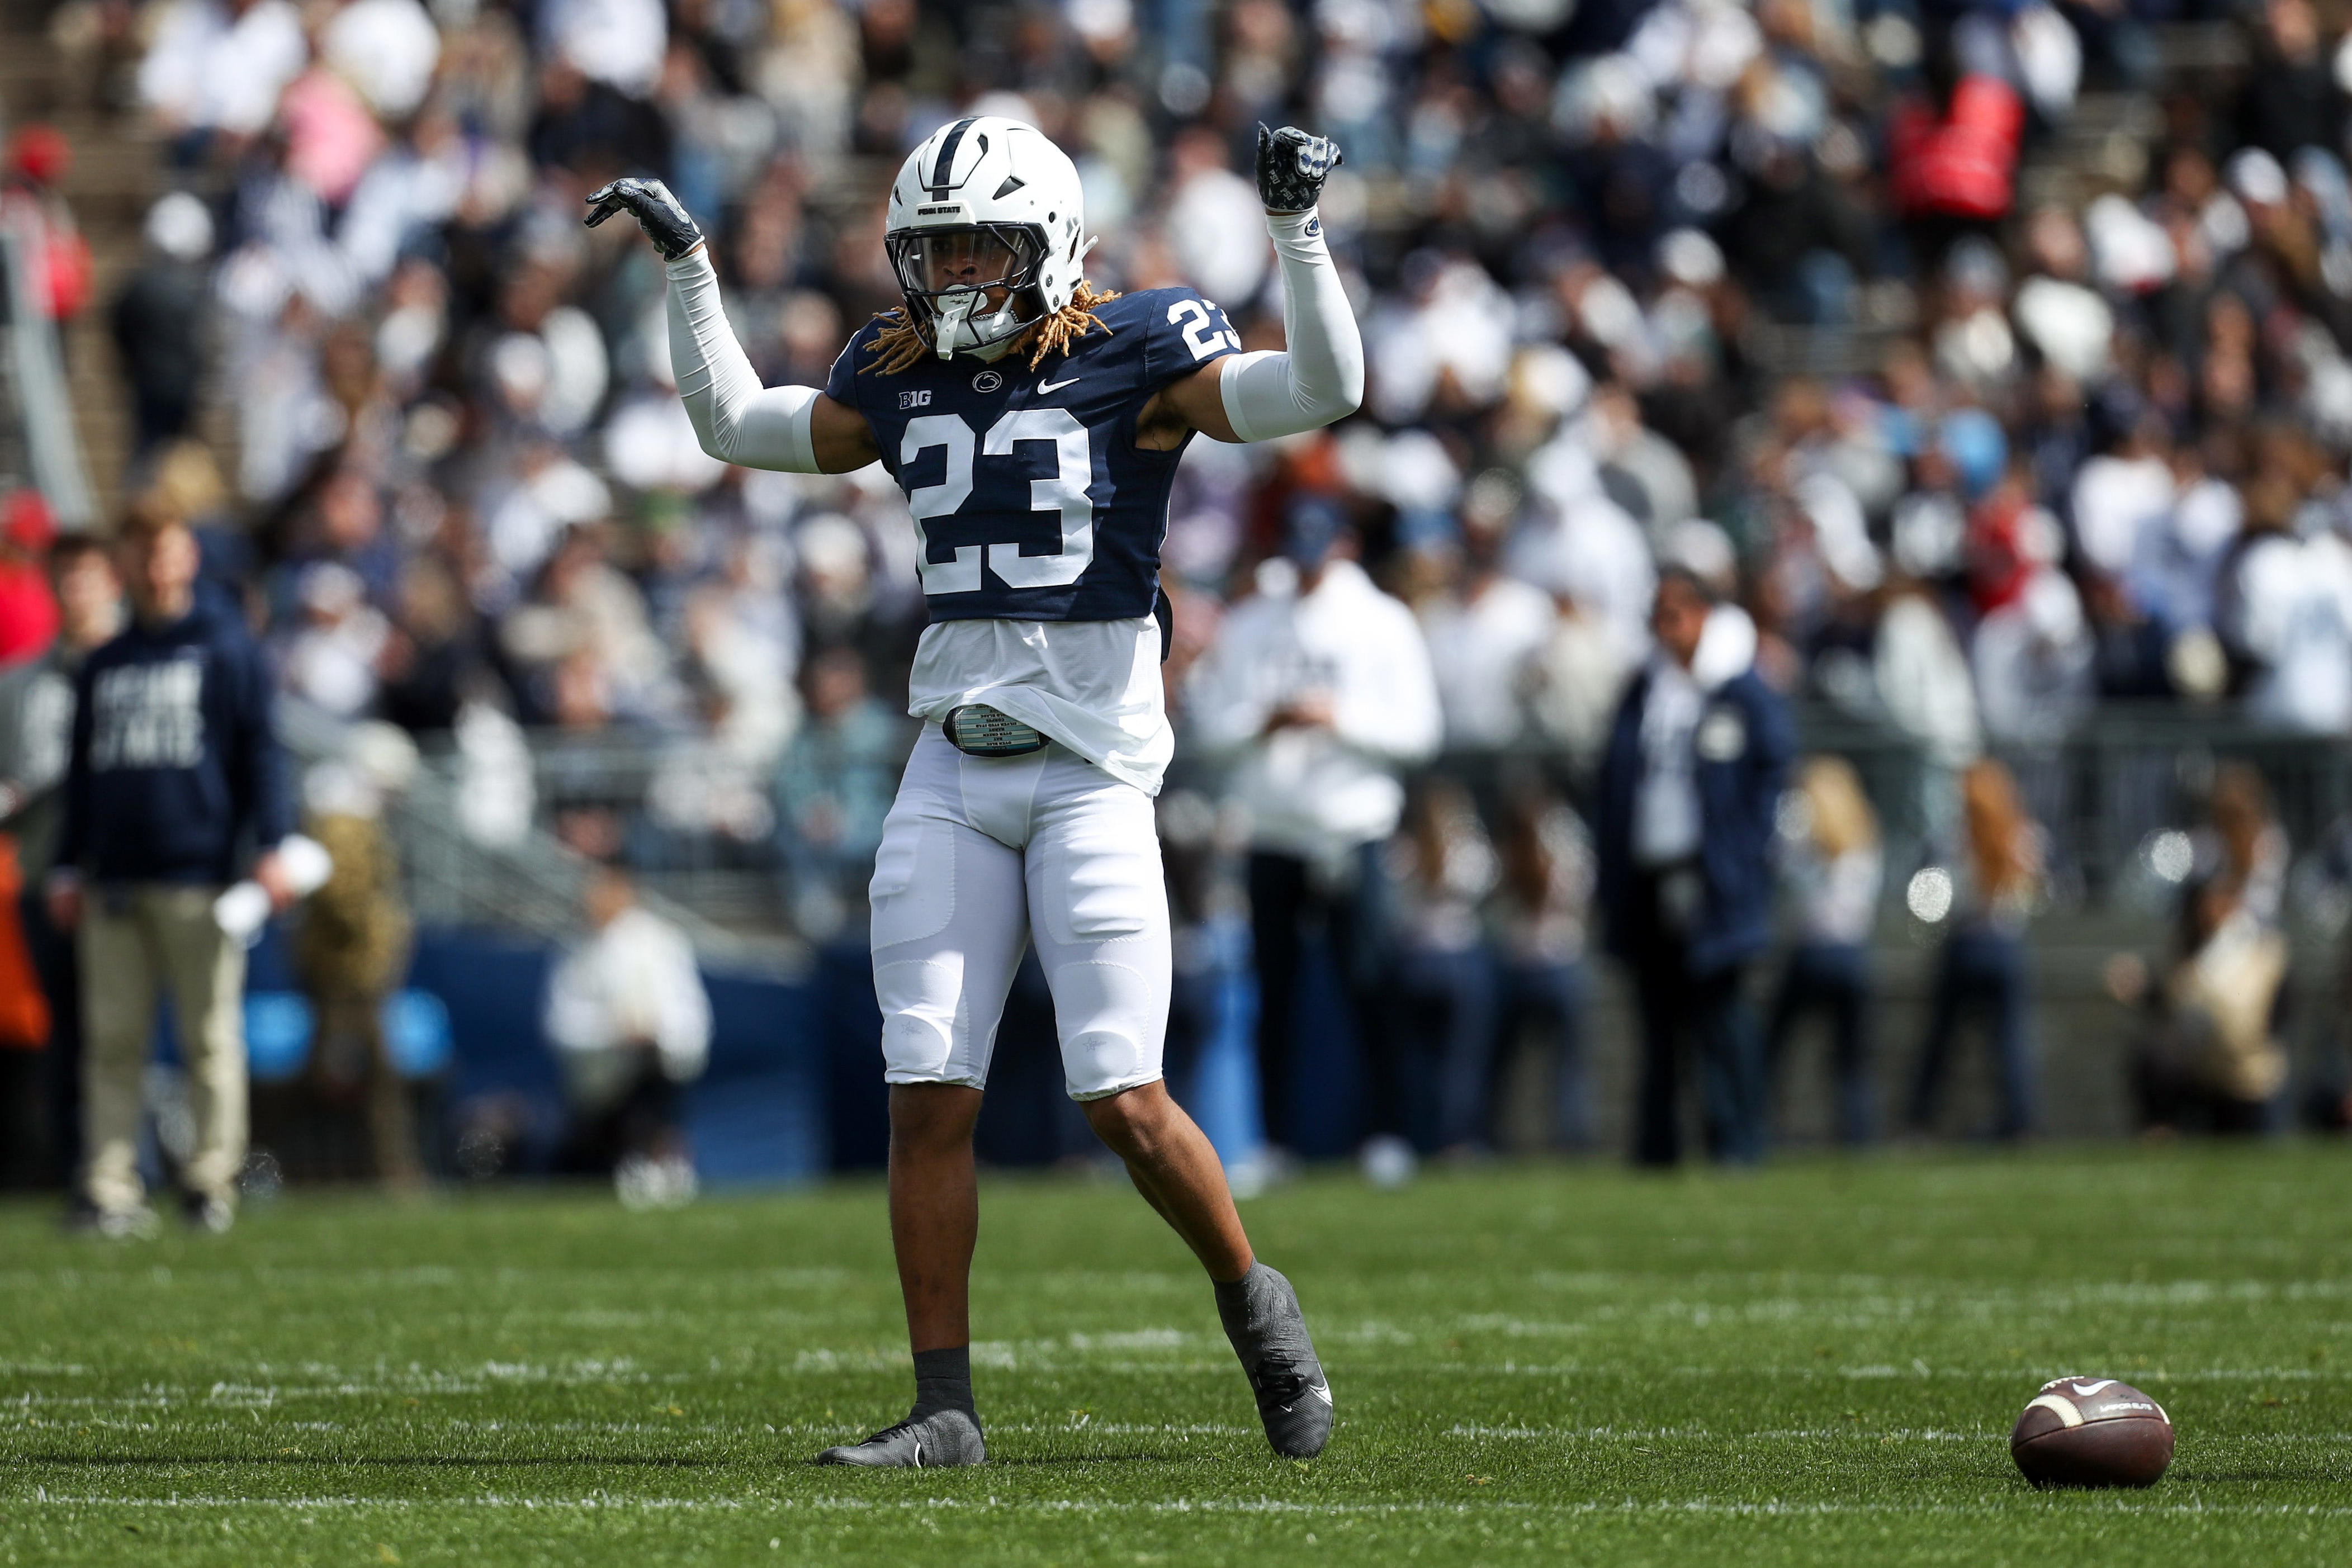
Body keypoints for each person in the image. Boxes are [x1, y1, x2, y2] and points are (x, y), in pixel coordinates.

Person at [587, 116, 1362, 1465]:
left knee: (1122, 1097)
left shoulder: (1139, 344)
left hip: (1092, 777)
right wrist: (691, 266)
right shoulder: (899, 368)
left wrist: (1297, 234)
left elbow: (1320, 392)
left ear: (1050, 240)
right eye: (931, 249)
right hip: (952, 764)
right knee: (927, 1093)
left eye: (977, 245)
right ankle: (944, 1405)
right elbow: (733, 422)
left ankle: (1255, 1298)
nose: (950, 274)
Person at [46, 508, 294, 1236]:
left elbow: (262, 750)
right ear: (124, 565)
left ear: (188, 558)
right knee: (112, 1042)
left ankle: (210, 1180)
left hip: (201, 875)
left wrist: (273, 842)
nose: (156, 570)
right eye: (142, 554)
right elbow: (83, 775)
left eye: (166, 553)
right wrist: (66, 864)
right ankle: (109, 1184)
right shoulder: (107, 661)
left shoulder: (226, 647)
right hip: (115, 880)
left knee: (208, 1040)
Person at [1184, 498, 1442, 1190]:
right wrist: (1263, 723)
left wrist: (1339, 718)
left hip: (1353, 827)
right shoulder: (1250, 623)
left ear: (1345, 547)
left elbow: (1420, 731)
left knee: (1370, 986)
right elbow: (1212, 731)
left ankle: (1386, 1134)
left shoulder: (1383, 622)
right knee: (1275, 995)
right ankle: (1273, 1141)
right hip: (1272, 831)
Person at [1595, 566, 1793, 1167]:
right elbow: (1615, 779)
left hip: (1715, 878)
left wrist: (1744, 851)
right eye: (1658, 615)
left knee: (1722, 1015)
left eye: (1677, 612)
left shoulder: (1736, 688)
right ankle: (1657, 1148)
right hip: (1652, 873)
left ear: (1705, 615)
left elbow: (1773, 769)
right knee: (1658, 1019)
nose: (1667, 627)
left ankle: (1737, 1141)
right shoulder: (1644, 691)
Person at [0, 536, 121, 1188]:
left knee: (124, 1031)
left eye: (87, 576)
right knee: (65, 1030)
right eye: (65, 577)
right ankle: (79, 1172)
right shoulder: (19, 684)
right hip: (48, 873)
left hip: (125, 874)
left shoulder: (136, 668)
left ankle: (135, 1166)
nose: (76, 591)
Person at [543, 865, 711, 1206]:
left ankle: (659, 1167)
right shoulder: (574, 950)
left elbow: (688, 1013)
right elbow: (561, 1023)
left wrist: (657, 1036)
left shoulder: (661, 943)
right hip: (601, 1080)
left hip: (657, 1070)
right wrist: (612, 1033)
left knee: (649, 1099)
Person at [1907, 758, 2043, 1140]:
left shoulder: (1951, 841)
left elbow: (1932, 904)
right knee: (2009, 1041)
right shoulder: (2024, 836)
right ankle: (2019, 1121)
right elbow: (2032, 897)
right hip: (2005, 946)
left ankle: (1921, 1119)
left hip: (1966, 946)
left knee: (1941, 1040)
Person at [1763, 756, 1885, 1148]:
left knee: (1772, 1050)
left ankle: (1758, 1127)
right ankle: (1858, 1137)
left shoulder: (1801, 838)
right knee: (1852, 1059)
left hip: (1811, 954)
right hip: (1852, 954)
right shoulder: (1865, 838)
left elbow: (1776, 865)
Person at [1489, 780, 1598, 1153]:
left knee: (1502, 1066)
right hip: (1560, 967)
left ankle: (1493, 1135)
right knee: (1569, 1065)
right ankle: (1572, 1137)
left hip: (1517, 969)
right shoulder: (1564, 857)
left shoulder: (1509, 859)